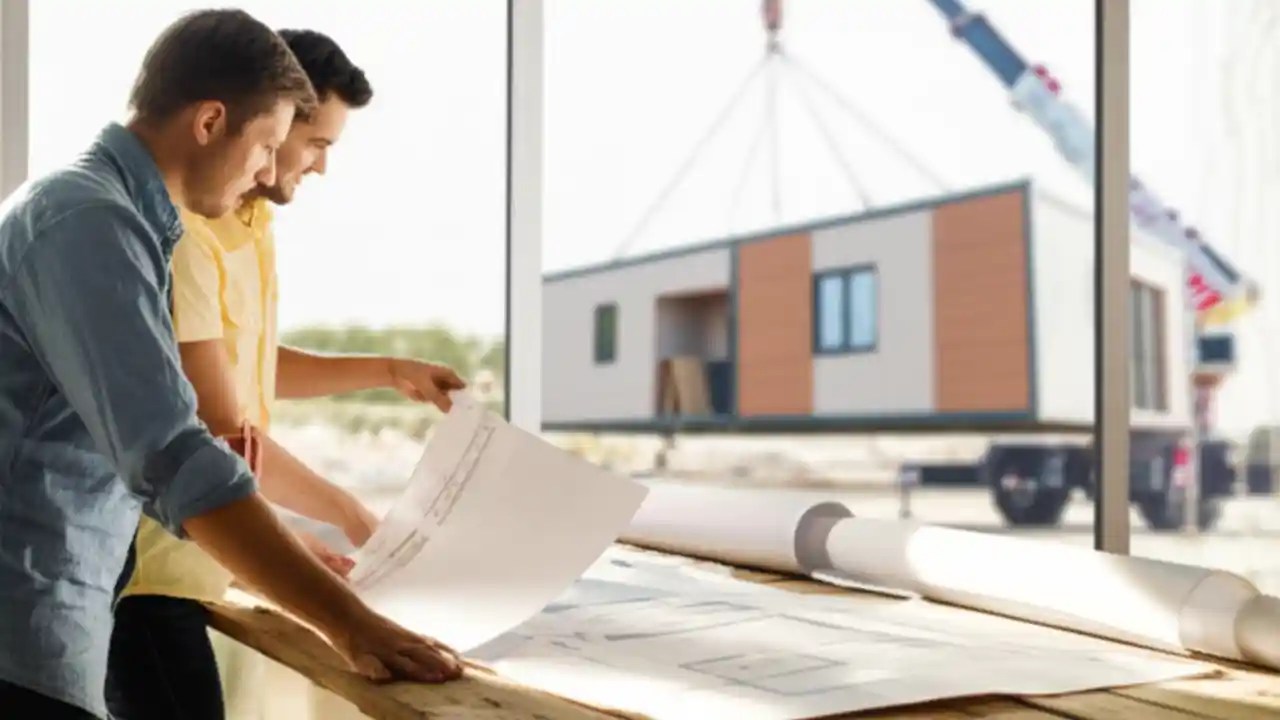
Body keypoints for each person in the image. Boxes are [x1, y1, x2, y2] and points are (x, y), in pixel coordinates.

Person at [0, 10, 462, 719]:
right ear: (211, 120)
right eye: (270, 143)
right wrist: (351, 623)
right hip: (23, 627)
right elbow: (176, 454)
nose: (269, 169)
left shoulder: (106, 218)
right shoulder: (88, 222)